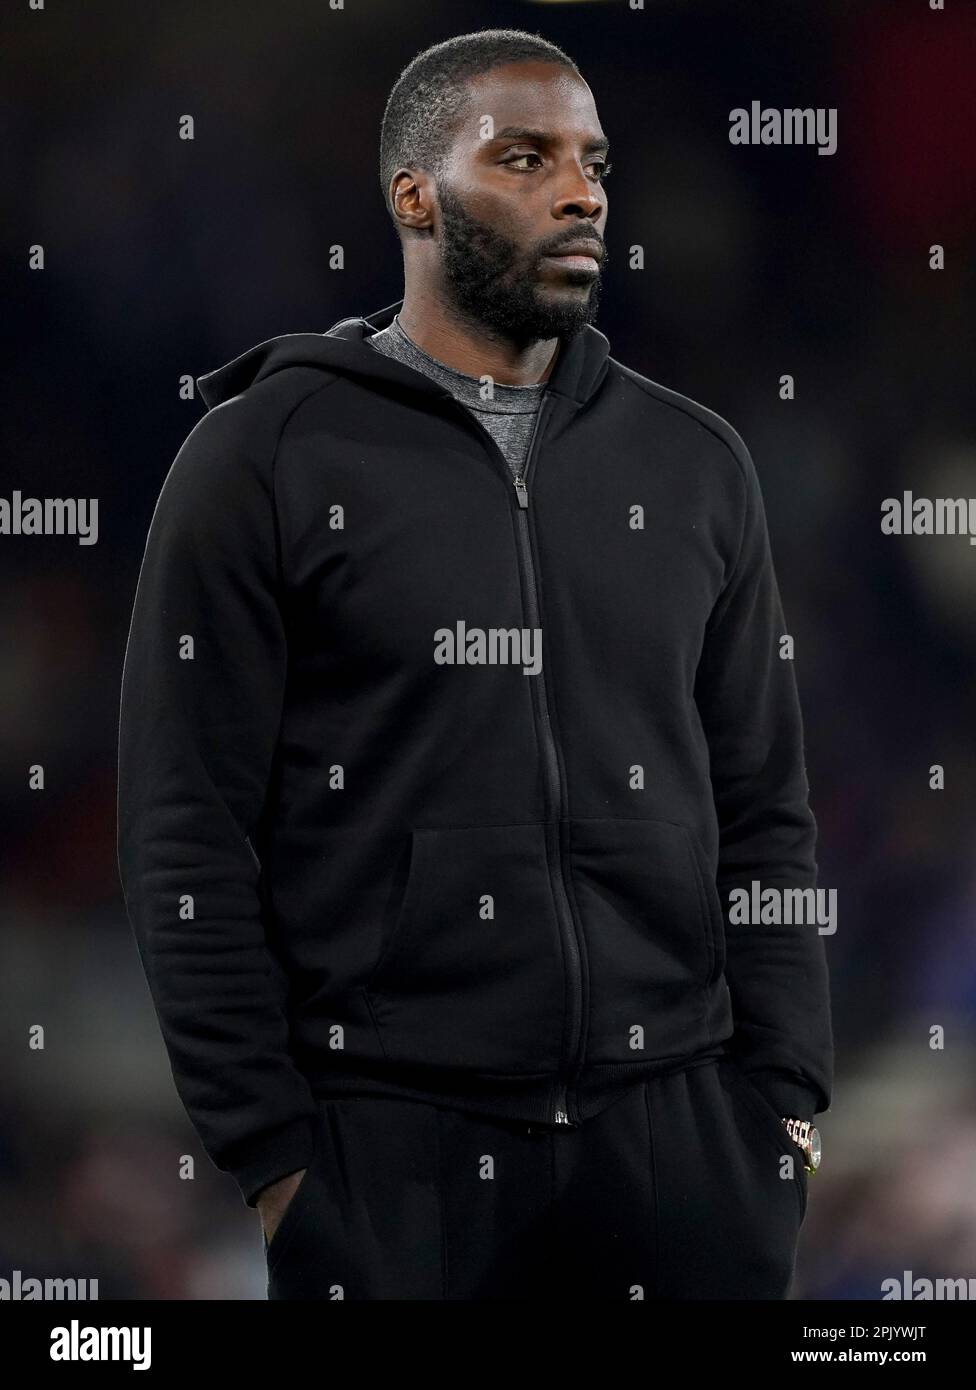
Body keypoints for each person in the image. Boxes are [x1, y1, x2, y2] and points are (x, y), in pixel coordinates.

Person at [117, 27, 833, 1301]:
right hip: (391, 1157)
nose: (582, 191)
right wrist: (274, 1157)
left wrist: (781, 1099)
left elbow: (765, 808)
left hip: (683, 1146)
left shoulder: (694, 464)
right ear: (414, 194)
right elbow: (185, 830)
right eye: (525, 157)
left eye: (594, 163)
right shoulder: (262, 457)